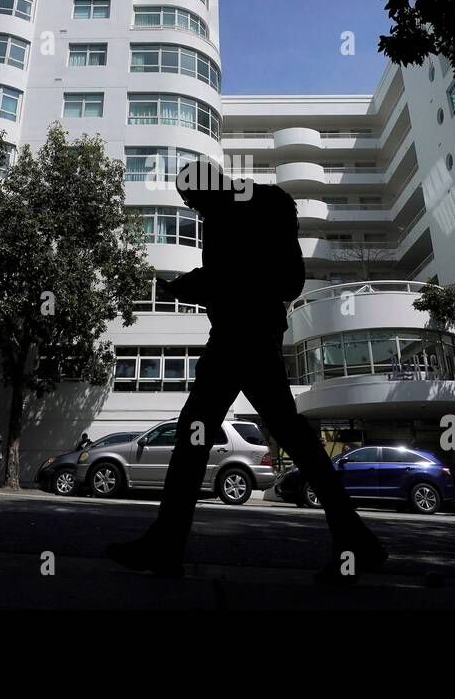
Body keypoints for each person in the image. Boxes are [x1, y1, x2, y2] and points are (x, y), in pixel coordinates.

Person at [106, 160, 387, 585]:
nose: (195, 210)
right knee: (271, 434)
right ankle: (355, 539)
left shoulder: (255, 207)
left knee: (200, 432)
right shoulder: (255, 206)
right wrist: (196, 285)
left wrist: (185, 287)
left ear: (209, 186)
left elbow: (259, 279)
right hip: (244, 336)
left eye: (194, 200)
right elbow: (236, 278)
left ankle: (165, 545)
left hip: (244, 337)